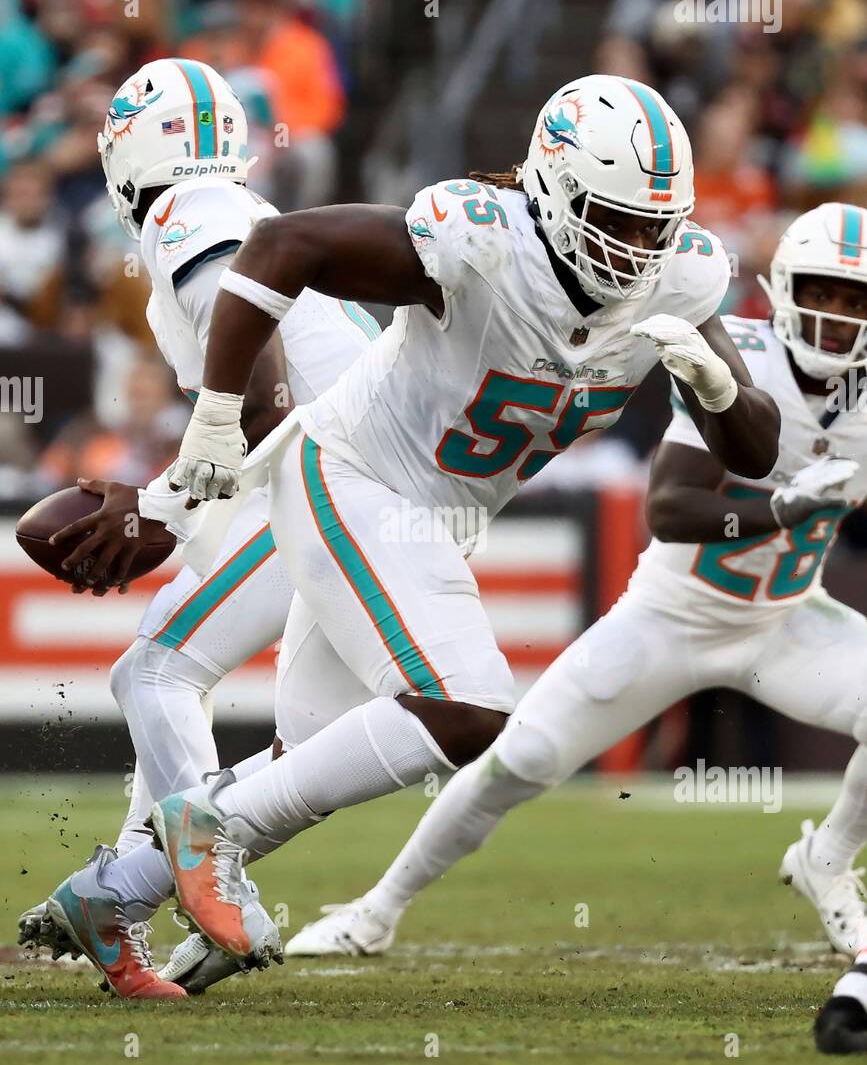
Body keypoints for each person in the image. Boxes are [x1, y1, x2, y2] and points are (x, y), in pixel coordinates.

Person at [45, 73, 780, 989]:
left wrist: (719, 390)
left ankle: (114, 893)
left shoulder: (680, 273)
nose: (633, 249)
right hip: (351, 474)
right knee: (468, 705)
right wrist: (214, 421)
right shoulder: (478, 235)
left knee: (301, 762)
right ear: (552, 190)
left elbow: (753, 449)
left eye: (650, 227)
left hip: (431, 518)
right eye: (612, 220)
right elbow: (282, 244)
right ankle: (203, 827)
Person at [283, 203, 867, 959]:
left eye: (855, 301)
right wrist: (783, 505)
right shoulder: (739, 359)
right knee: (519, 760)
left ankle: (827, 861)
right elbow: (671, 510)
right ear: (784, 288)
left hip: (783, 619)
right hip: (670, 616)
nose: (836, 317)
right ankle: (375, 910)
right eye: (823, 293)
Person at [20, 58, 378, 998]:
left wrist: (157, 505)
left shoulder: (194, 214)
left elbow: (259, 399)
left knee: (155, 668)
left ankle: (213, 876)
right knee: (300, 742)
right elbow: (248, 417)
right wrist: (171, 507)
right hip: (347, 472)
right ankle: (119, 898)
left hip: (332, 473)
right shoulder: (237, 210)